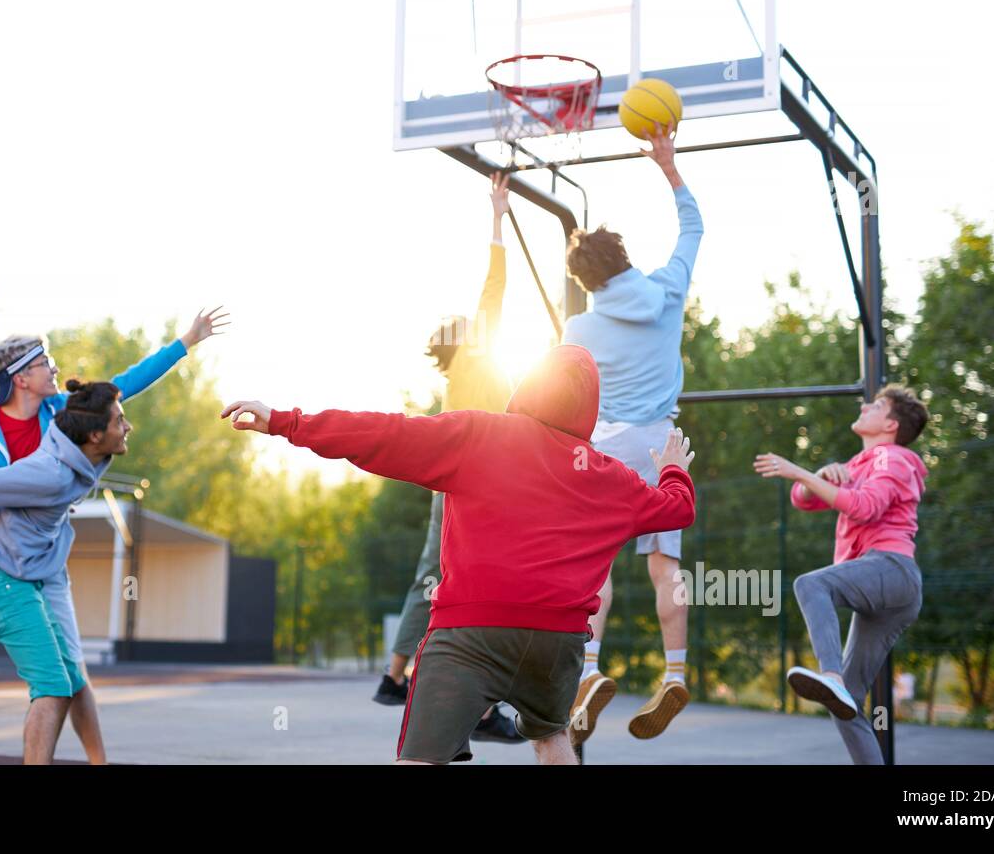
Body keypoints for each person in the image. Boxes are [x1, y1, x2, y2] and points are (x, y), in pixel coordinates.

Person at [222, 344, 697, 764]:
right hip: (556, 639)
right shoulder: (606, 474)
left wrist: (287, 422)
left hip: (470, 633)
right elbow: (678, 510)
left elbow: (383, 434)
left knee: (420, 759)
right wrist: (672, 469)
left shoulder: (479, 434)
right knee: (551, 735)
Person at [0, 307, 227, 764]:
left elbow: (122, 386)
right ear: (20, 378)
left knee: (74, 676)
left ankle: (99, 762)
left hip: (44, 565)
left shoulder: (62, 414)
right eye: (43, 363)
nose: (54, 369)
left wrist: (185, 342)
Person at [560, 125, 703, 744]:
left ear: (588, 280)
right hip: (662, 446)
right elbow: (694, 229)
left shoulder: (579, 328)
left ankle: (590, 670)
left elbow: (560, 394)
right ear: (623, 259)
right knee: (665, 563)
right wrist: (668, 168)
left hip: (605, 449)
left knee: (596, 561)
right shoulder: (667, 291)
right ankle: (675, 673)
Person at [372, 172, 523, 744]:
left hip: (456, 480)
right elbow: (496, 285)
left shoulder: (465, 379)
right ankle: (476, 708)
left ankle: (406, 682)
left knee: (439, 576)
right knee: (475, 581)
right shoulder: (475, 362)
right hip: (475, 483)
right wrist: (498, 215)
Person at [753, 384, 929, 765]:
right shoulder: (861, 464)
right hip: (883, 588)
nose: (866, 406)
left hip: (892, 569)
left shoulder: (892, 458)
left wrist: (797, 470)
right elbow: (804, 499)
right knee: (846, 702)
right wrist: (819, 476)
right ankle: (839, 688)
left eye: (877, 405)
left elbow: (864, 508)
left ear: (891, 425)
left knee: (811, 584)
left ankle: (829, 674)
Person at [0, 379, 126, 764]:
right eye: (120, 421)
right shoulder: (51, 473)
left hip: (34, 577)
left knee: (74, 681)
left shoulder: (88, 455)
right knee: (52, 687)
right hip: (2, 581)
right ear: (96, 435)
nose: (127, 426)